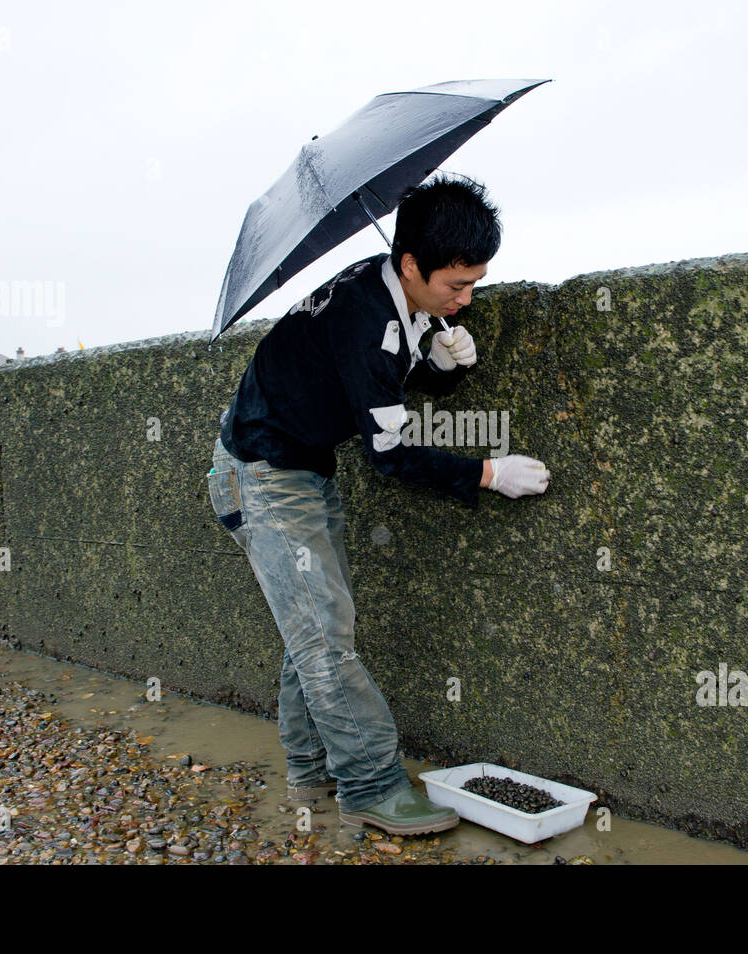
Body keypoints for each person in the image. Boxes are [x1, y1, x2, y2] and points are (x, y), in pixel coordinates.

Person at [206, 175, 550, 836]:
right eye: (458, 285)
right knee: (324, 631)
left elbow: (390, 378)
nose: (468, 297)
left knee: (315, 627)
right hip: (260, 473)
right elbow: (389, 453)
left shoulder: (392, 289)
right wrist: (487, 473)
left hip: (301, 467)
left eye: (476, 282)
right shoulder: (364, 316)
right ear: (412, 264)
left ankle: (309, 771)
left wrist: (448, 365)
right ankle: (370, 784)